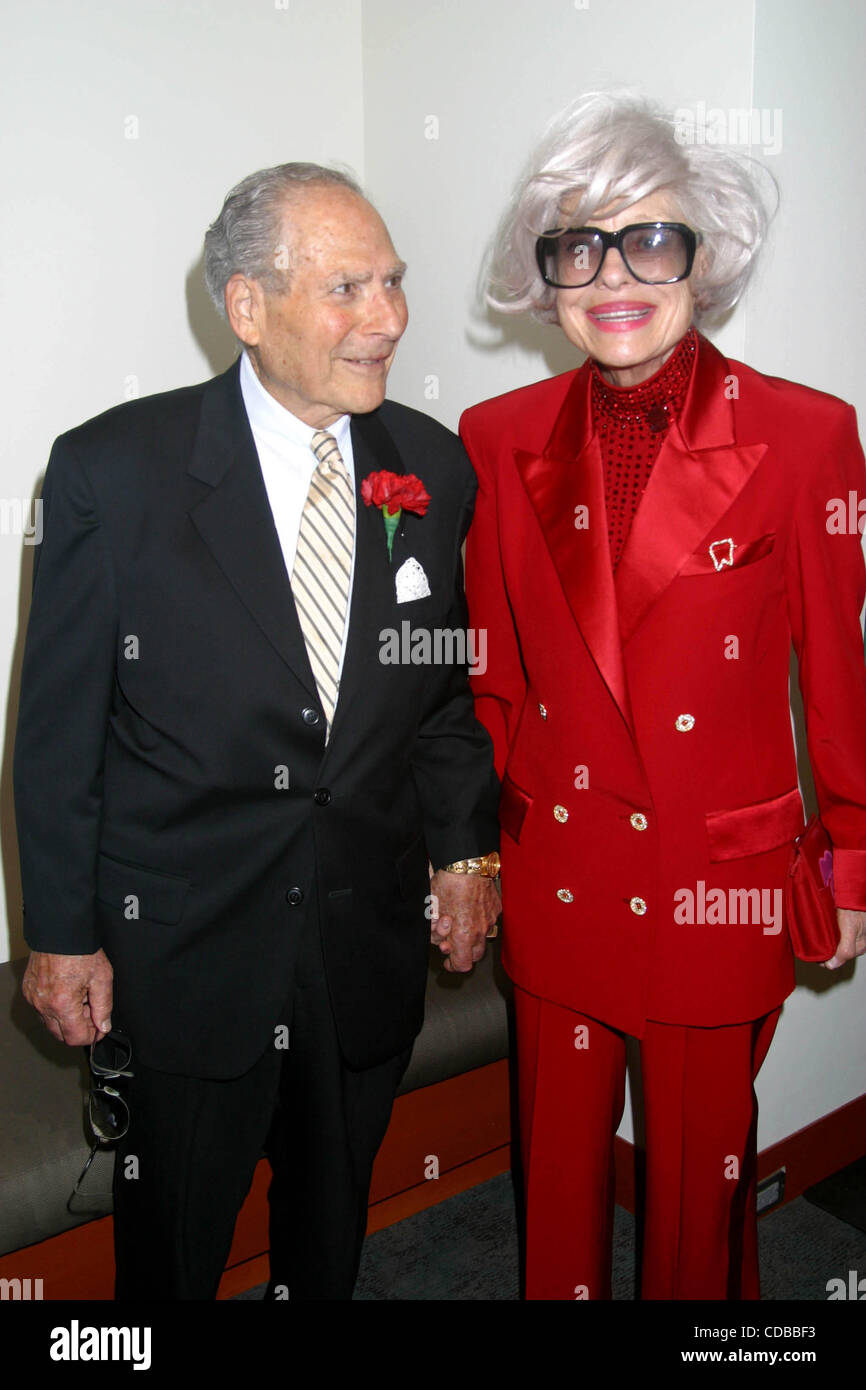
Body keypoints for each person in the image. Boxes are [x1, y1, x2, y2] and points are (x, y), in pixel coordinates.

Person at [14, 162, 501, 1301]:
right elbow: (57, 729)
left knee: (330, 1223)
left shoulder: (428, 464)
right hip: (185, 947)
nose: (387, 318)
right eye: (346, 288)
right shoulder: (109, 473)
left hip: (361, 936)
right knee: (174, 1240)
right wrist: (63, 933)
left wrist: (464, 848)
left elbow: (436, 692)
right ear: (246, 305)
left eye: (392, 282)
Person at [460, 92, 866, 1301]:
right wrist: (476, 859)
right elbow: (491, 675)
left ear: (703, 254)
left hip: (717, 883)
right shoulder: (494, 434)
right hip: (562, 870)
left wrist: (847, 866)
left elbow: (840, 681)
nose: (612, 276)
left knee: (700, 1190)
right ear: (547, 273)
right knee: (557, 1178)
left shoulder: (804, 438)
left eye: (650, 239)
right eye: (576, 246)